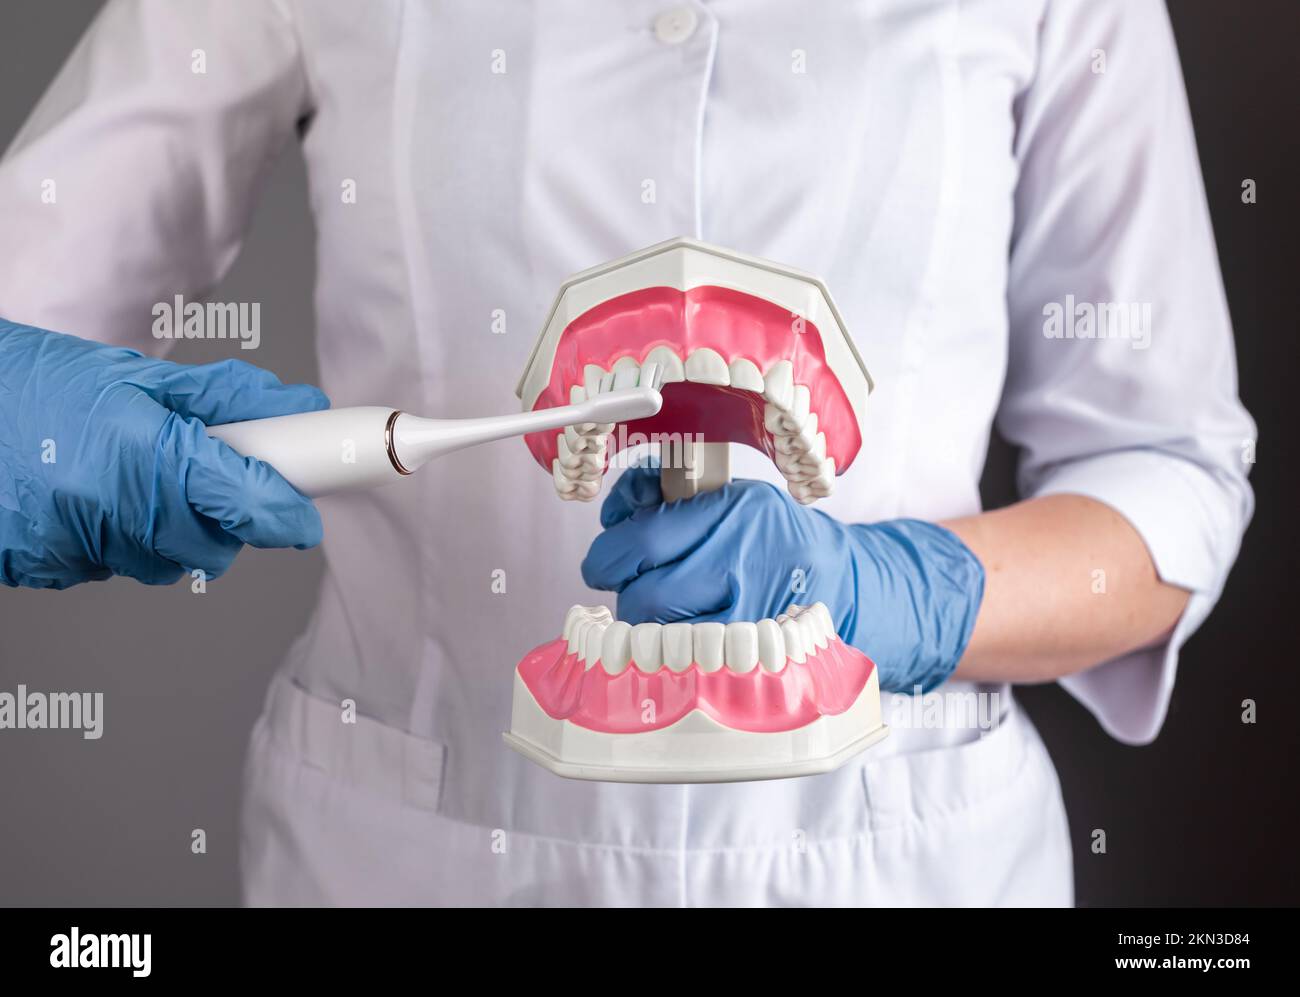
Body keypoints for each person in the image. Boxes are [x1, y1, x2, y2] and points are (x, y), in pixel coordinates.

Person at [0, 0, 1253, 905]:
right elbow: (24, 284)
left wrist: (906, 591)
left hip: (909, 862)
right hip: (407, 860)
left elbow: (1167, 477)